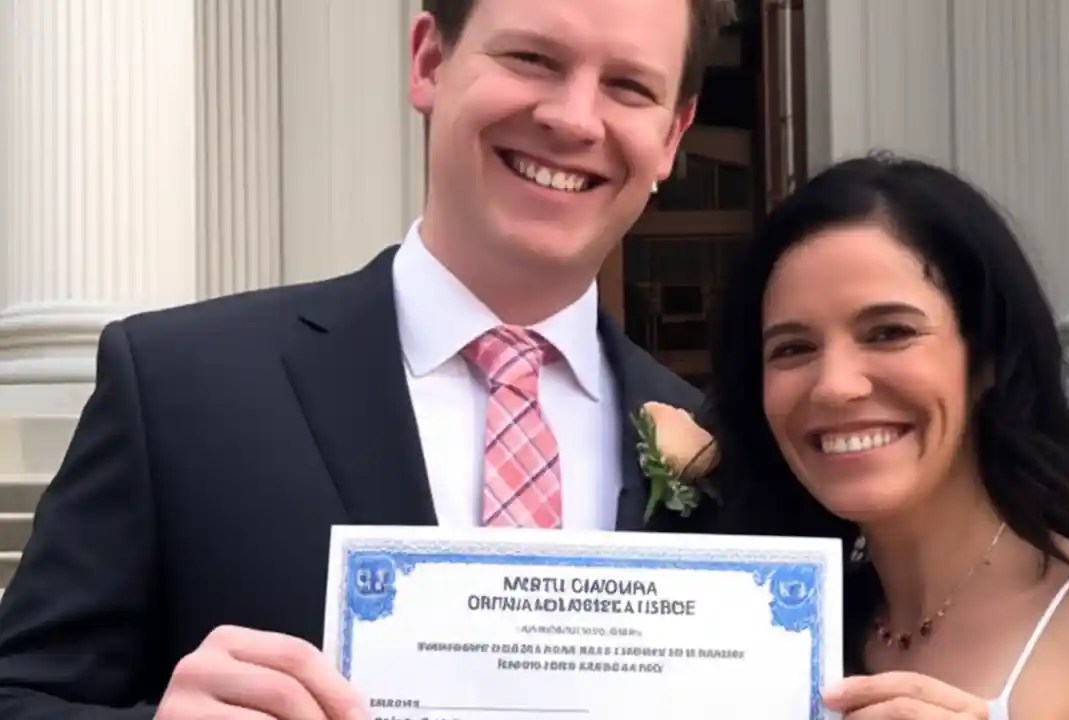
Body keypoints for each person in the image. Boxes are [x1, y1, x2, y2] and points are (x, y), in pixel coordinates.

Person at [0, 0, 736, 717]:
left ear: (672, 135)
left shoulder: (725, 455)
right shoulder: (177, 387)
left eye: (628, 87)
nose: (573, 118)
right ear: (429, 62)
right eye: (532, 58)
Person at [708, 154, 1069, 719]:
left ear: (986, 356)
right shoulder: (768, 636)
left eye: (890, 332)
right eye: (793, 348)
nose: (835, 386)